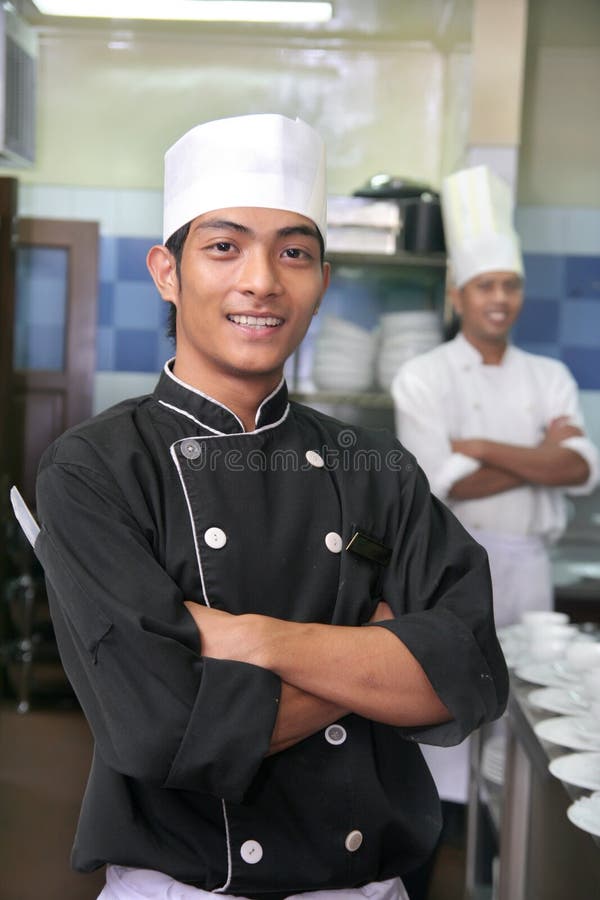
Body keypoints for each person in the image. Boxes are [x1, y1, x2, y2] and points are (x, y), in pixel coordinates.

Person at [29, 116, 508, 900]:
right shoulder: (94, 469)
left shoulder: (374, 463)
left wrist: (252, 641)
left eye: (295, 251)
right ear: (166, 271)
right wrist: (374, 655)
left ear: (322, 277)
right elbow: (162, 726)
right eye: (224, 247)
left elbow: (470, 669)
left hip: (364, 888)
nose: (262, 280)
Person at [391, 164, 599, 807]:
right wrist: (540, 453)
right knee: (445, 696)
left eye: (511, 285)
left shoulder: (548, 375)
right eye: (486, 286)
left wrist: (477, 448)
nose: (500, 298)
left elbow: (581, 470)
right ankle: (445, 825)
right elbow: (437, 487)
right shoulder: (421, 376)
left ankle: (504, 836)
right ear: (458, 294)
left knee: (525, 707)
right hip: (450, 567)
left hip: (528, 571)